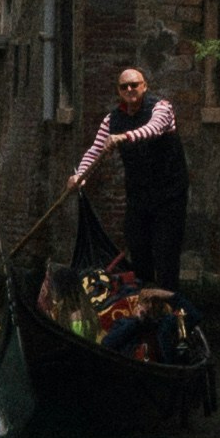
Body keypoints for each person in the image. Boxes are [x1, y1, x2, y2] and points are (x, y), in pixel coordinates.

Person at [68, 63, 186, 307]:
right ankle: (142, 309)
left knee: (166, 254)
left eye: (135, 85)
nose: (130, 89)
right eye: (124, 86)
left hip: (170, 196)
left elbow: (153, 130)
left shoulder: (162, 108)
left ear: (145, 86)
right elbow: (95, 151)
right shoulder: (112, 120)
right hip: (139, 197)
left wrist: (125, 136)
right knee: (138, 249)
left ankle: (171, 311)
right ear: (119, 91)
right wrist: (80, 175)